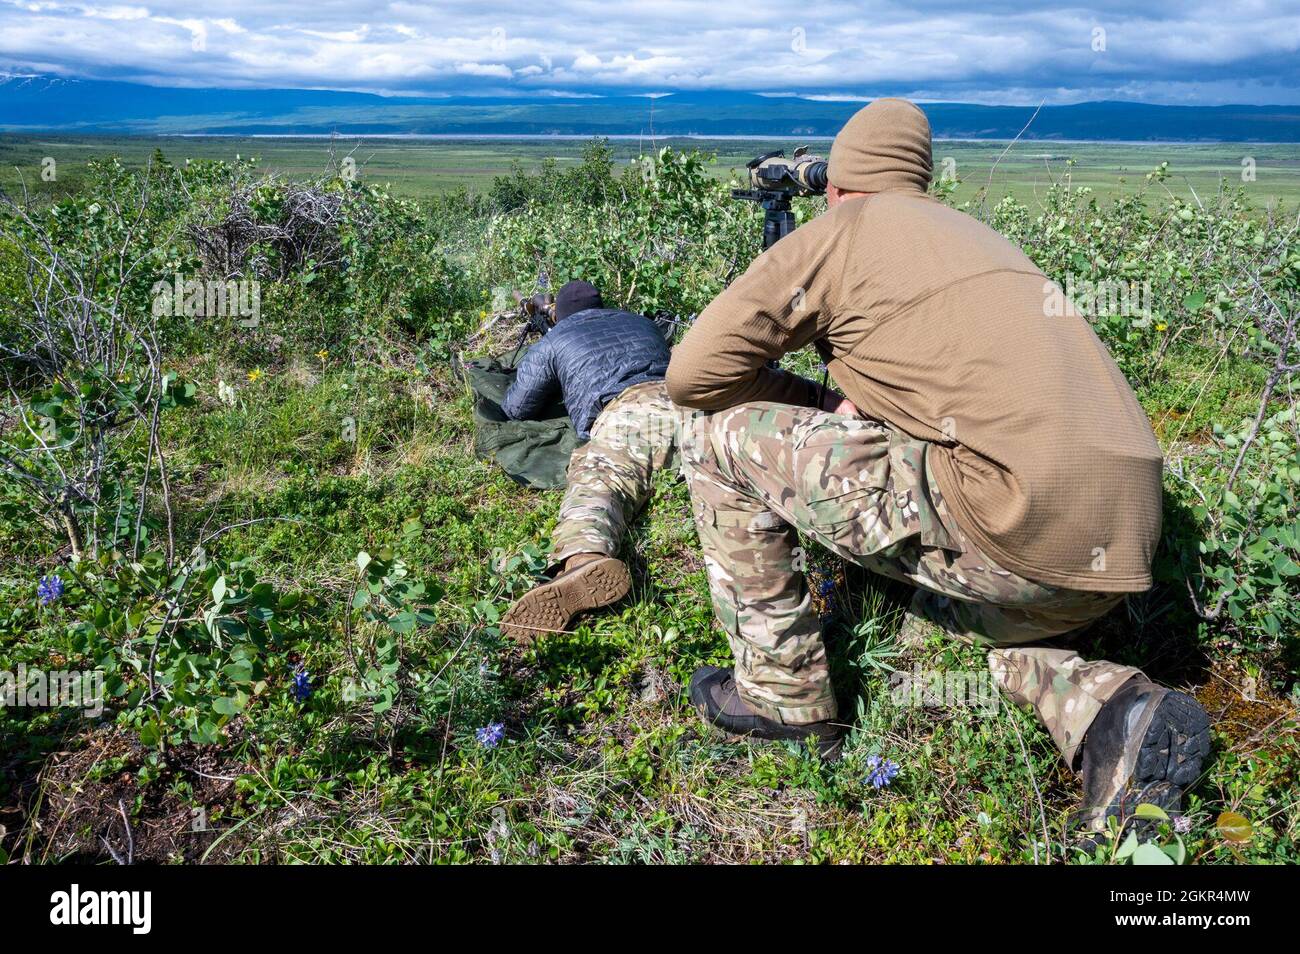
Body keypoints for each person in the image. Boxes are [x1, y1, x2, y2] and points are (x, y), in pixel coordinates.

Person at [664, 98, 1210, 831]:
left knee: (715, 437)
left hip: (1003, 523)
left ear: (837, 185)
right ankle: (1116, 714)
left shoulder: (843, 230)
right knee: (941, 614)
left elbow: (691, 378)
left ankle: (782, 698)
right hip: (1109, 561)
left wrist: (813, 404)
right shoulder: (981, 238)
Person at [500, 279, 838, 643]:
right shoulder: (641, 323)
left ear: (561, 315)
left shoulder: (558, 335)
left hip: (627, 412)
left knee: (599, 480)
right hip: (689, 407)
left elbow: (519, 406)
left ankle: (583, 558)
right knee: (740, 470)